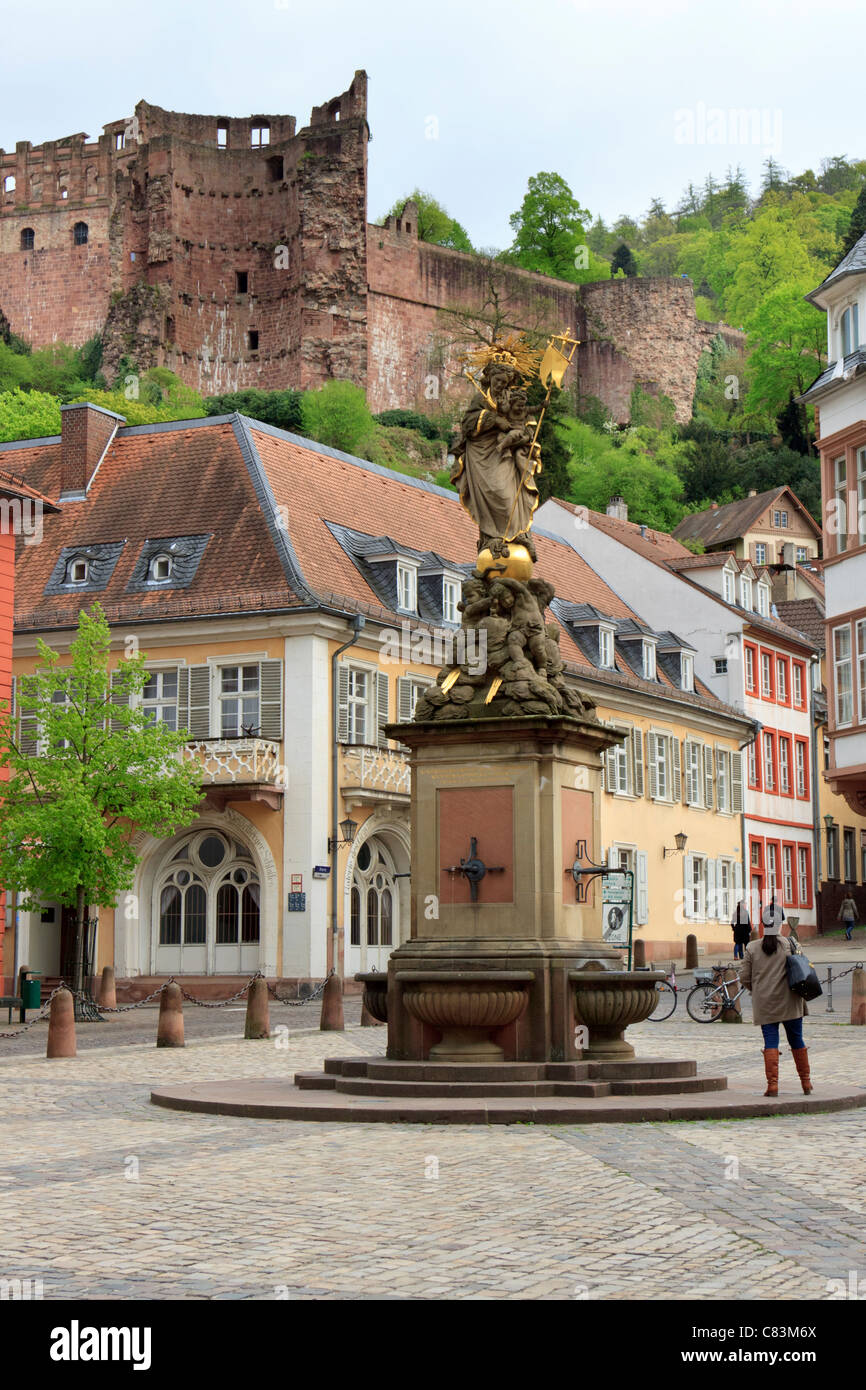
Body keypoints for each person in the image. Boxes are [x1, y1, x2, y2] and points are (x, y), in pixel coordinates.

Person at [739, 909, 811, 1098]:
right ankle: (806, 1082)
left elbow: (744, 976)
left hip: (765, 1003)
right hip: (791, 1001)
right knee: (797, 1040)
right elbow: (803, 970)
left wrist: (758, 990)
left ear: (763, 924)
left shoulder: (752, 948)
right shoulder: (791, 944)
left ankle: (772, 1086)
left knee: (770, 1041)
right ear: (781, 924)